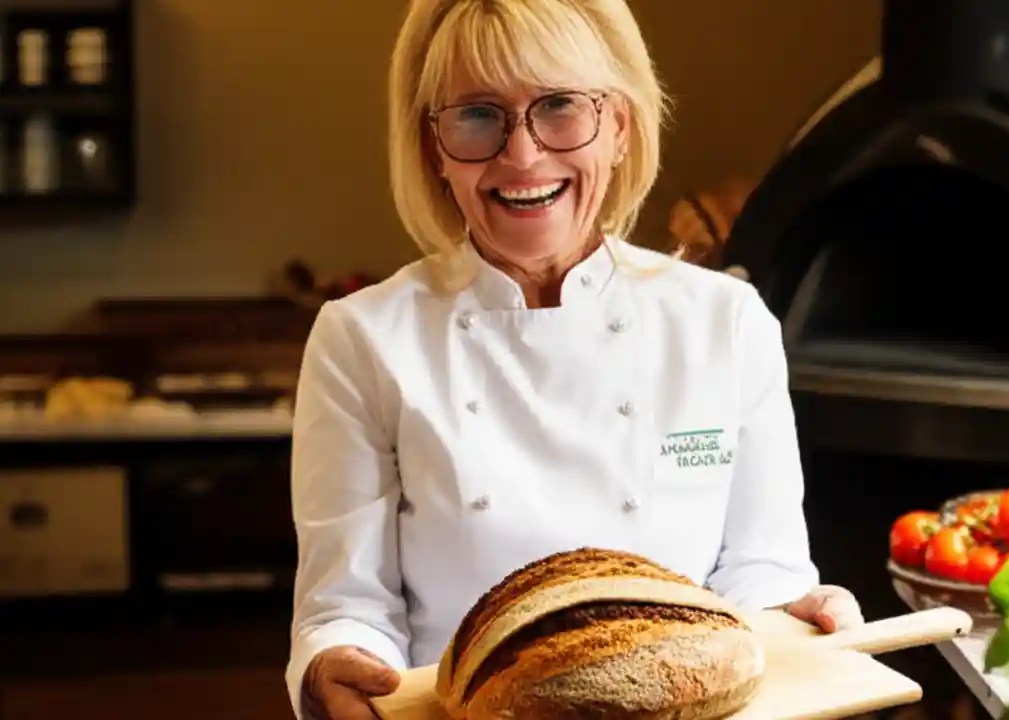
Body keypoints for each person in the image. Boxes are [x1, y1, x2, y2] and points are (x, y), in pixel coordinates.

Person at [285, 0, 864, 717]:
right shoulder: (362, 339)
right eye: (477, 115)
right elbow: (347, 606)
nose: (522, 156)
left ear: (619, 126)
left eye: (560, 106)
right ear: (433, 148)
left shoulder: (726, 324)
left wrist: (796, 614)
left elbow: (759, 573)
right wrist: (335, 664)